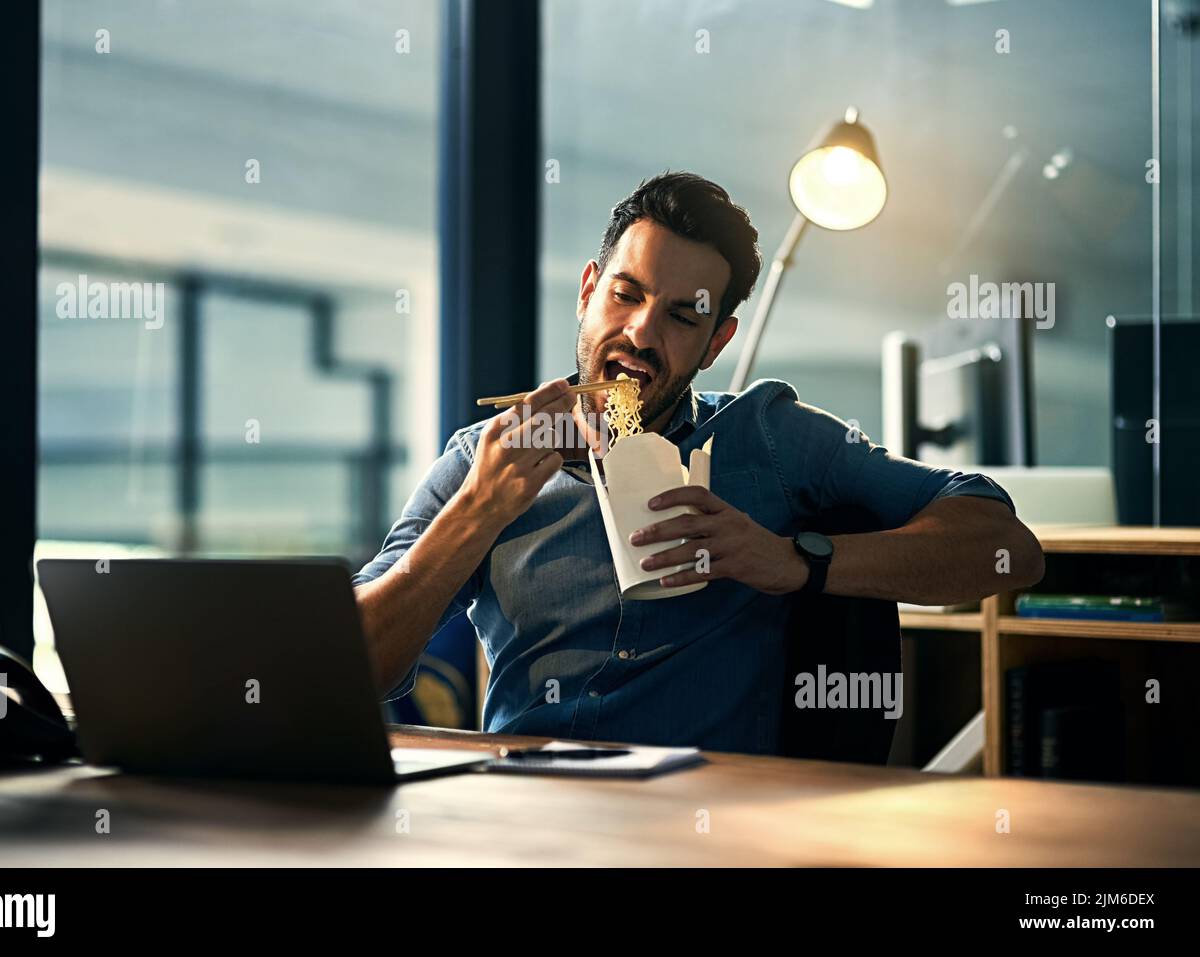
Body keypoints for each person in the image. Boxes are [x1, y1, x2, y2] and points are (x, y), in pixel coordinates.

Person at [352, 171, 1043, 754]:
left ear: (717, 343)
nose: (642, 332)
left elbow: (1008, 547)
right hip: (531, 820)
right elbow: (352, 672)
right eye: (627, 293)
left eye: (684, 316)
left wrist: (795, 562)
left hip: (713, 827)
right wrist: (477, 509)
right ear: (588, 289)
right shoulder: (485, 459)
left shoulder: (766, 437)